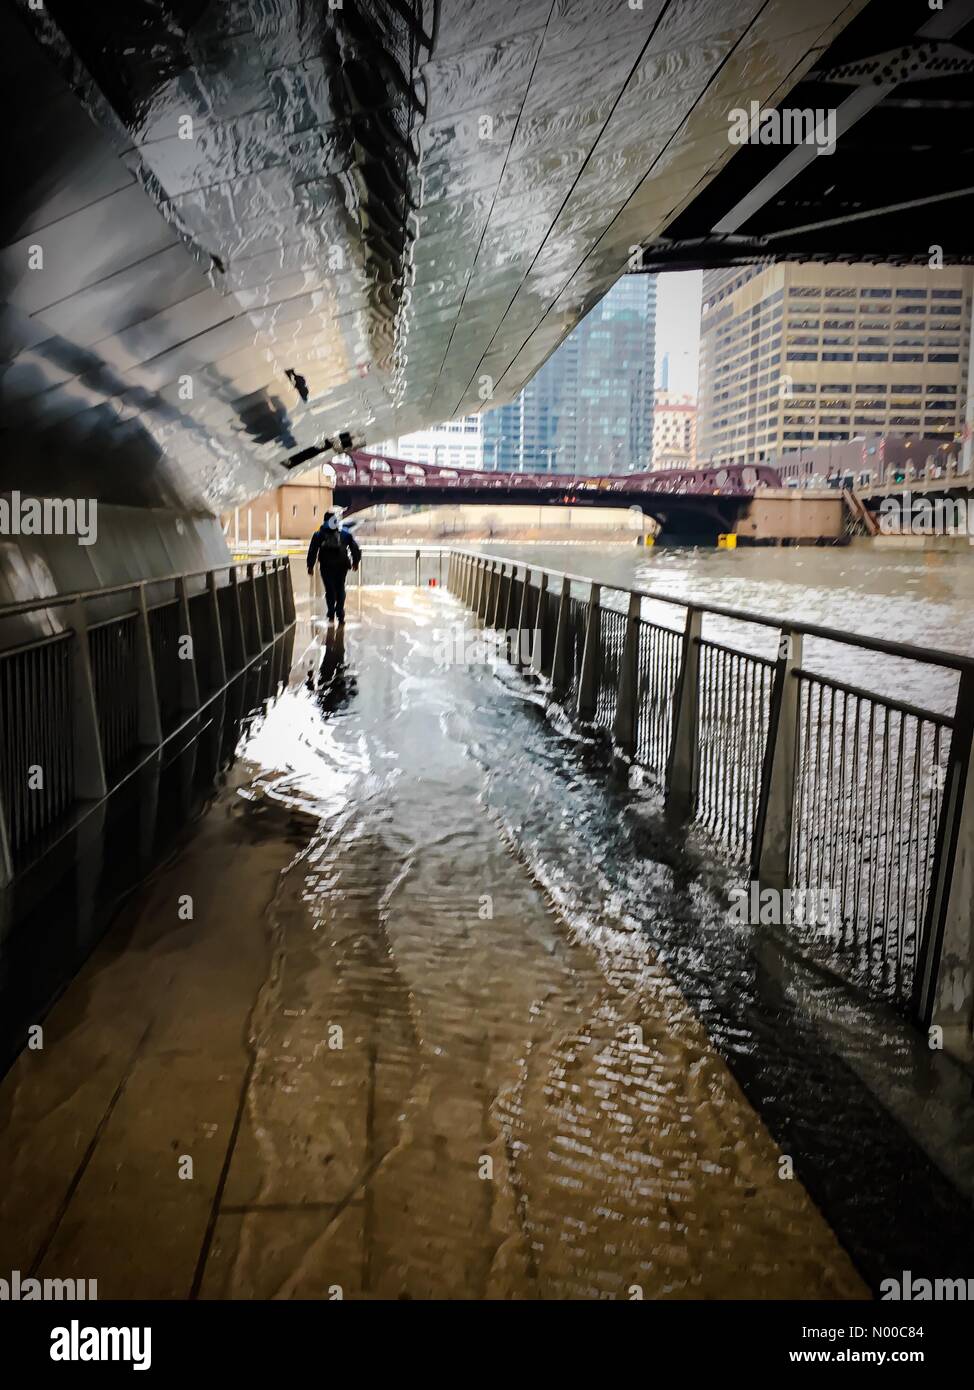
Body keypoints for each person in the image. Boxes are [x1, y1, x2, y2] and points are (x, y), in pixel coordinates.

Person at [307, 511, 360, 624]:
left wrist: (310, 566)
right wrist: (355, 561)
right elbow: (354, 547)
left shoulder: (319, 534)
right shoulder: (344, 533)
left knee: (329, 589)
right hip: (341, 565)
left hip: (326, 566)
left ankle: (331, 612)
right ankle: (340, 613)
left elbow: (313, 550)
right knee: (340, 588)